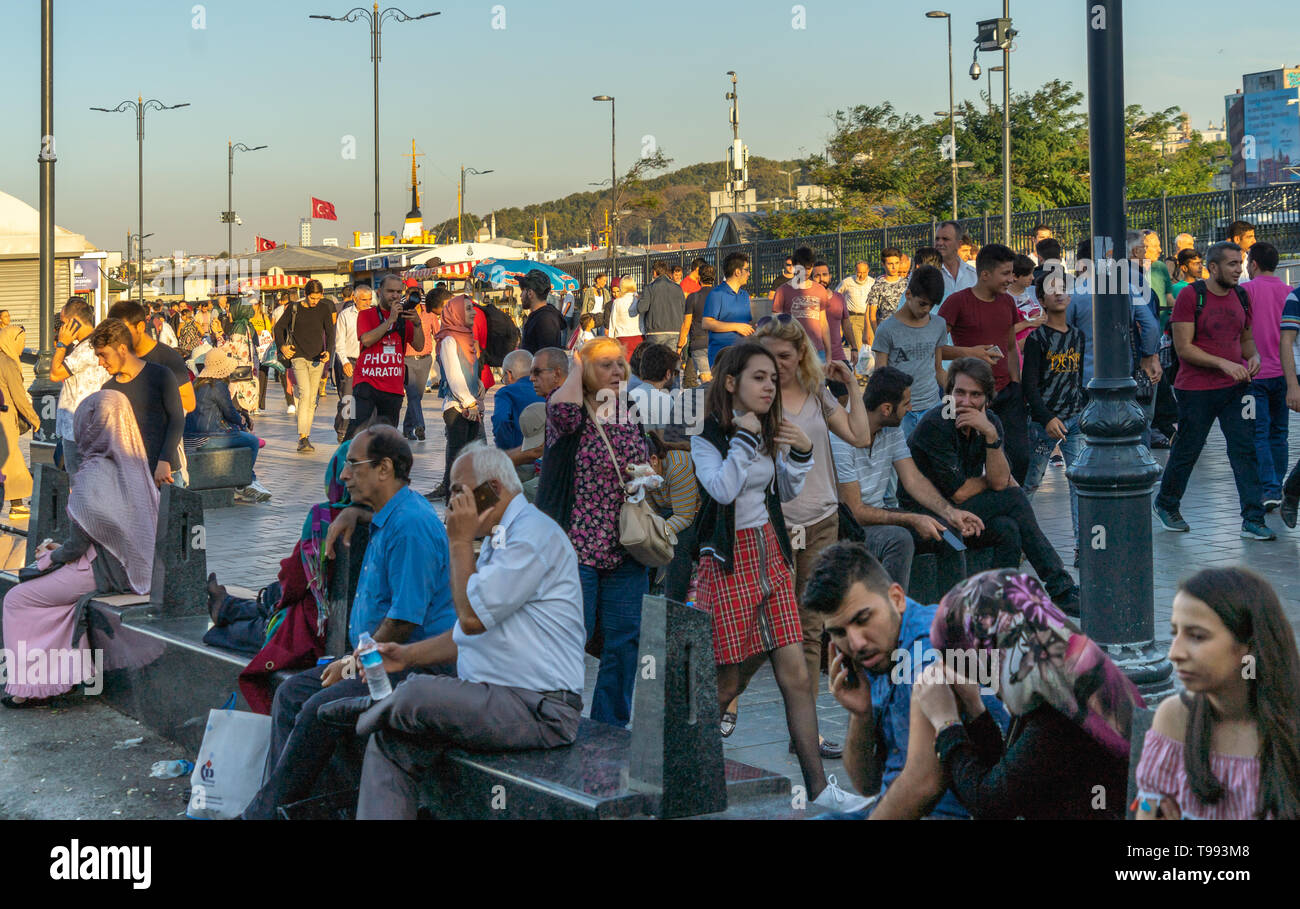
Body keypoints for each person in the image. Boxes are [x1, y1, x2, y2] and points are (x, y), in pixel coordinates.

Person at [322, 442, 586, 820]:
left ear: (492, 488)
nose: (452, 505)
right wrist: (405, 655)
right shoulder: (501, 536)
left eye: (459, 491)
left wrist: (459, 541)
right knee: (391, 741)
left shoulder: (532, 537)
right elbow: (471, 636)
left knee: (418, 691)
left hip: (539, 708)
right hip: (491, 696)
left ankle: (369, 710)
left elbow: (472, 618)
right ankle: (380, 719)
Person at [241, 425, 458, 819]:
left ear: (384, 469)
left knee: (318, 709)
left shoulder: (411, 526)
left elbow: (403, 621)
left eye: (353, 465)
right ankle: (289, 807)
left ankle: (264, 814)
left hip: (412, 665)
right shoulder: (388, 515)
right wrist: (356, 513)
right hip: (375, 658)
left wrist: (352, 662)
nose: (343, 475)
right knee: (291, 694)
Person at [690, 342, 870, 812]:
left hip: (770, 551)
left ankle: (819, 789)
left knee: (794, 673)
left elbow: (784, 490)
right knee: (726, 685)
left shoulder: (769, 430)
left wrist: (802, 452)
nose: (771, 386)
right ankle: (685, 767)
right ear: (731, 383)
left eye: (773, 377)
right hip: (728, 565)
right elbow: (723, 489)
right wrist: (746, 440)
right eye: (759, 378)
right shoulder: (706, 437)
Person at [725, 315, 867, 754]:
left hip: (822, 519)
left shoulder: (817, 393)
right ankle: (725, 698)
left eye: (784, 357)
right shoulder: (756, 399)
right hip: (772, 526)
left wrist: (854, 388)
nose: (777, 366)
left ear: (800, 354)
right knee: (762, 626)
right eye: (767, 357)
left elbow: (860, 436)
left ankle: (803, 735)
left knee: (808, 630)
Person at [905, 569, 1144, 819]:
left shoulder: (1057, 710)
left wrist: (947, 724)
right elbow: (1015, 774)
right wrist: (975, 709)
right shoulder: (1058, 669)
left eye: (964, 655)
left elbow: (991, 803)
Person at [801, 544, 1008, 818]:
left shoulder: (926, 657)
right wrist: (861, 716)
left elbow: (923, 784)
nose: (856, 643)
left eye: (863, 619)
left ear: (897, 598)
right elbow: (867, 785)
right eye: (839, 632)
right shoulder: (879, 651)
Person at [2, 390, 158, 707]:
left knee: (19, 598)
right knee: (55, 604)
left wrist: (50, 557)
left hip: (102, 571)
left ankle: (30, 687)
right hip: (128, 568)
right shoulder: (136, 466)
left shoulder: (91, 474)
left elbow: (77, 545)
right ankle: (61, 677)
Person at [904, 357, 1080, 613]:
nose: (965, 402)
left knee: (1008, 528)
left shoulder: (991, 423)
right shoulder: (936, 425)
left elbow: (998, 481)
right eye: (959, 392)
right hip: (930, 516)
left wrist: (991, 435)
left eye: (975, 395)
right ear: (948, 392)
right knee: (1014, 498)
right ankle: (1060, 587)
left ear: (987, 398)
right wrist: (993, 482)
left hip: (963, 513)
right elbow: (963, 492)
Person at [534, 338, 649, 728]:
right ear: (583, 371)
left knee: (624, 640)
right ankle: (557, 721)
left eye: (620, 364)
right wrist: (578, 363)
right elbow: (564, 409)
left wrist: (644, 479)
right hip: (576, 545)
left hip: (626, 546)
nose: (617, 371)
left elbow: (640, 461)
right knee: (570, 638)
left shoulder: (630, 410)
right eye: (605, 365)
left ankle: (609, 727)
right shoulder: (569, 411)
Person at [1135, 567, 1300, 820]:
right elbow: (1145, 804)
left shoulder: (1290, 728)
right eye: (1174, 633)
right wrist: (1148, 809)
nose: (1174, 653)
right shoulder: (1175, 719)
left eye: (1197, 636)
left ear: (1250, 647)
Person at [1153, 241, 1271, 540]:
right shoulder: (1192, 296)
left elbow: (1245, 339)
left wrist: (1253, 357)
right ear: (1214, 267)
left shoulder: (1242, 296)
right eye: (1232, 264)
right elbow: (1184, 348)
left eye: (1240, 262)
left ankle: (1253, 518)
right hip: (1196, 390)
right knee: (1188, 449)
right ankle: (1167, 504)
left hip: (1236, 387)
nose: (1239, 269)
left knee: (1245, 449)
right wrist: (1223, 364)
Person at [833, 367, 983, 594]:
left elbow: (913, 479)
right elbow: (855, 511)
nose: (911, 408)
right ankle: (895, 618)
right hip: (846, 527)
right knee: (900, 538)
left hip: (879, 514)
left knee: (949, 532)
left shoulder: (891, 429)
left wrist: (950, 512)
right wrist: (912, 519)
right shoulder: (841, 437)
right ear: (886, 409)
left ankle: (951, 614)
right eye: (906, 404)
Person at [938, 243, 1030, 483]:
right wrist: (971, 353)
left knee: (1020, 458)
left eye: (1012, 273)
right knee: (967, 462)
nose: (1011, 279)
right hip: (968, 397)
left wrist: (1016, 385)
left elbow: (1010, 347)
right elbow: (935, 350)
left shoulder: (1008, 302)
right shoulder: (957, 302)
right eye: (1006, 273)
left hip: (1007, 393)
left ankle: (1009, 502)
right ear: (985, 274)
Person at [1020, 273, 1086, 560]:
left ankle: (1083, 546)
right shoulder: (1037, 339)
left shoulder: (1077, 336)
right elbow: (1029, 385)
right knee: (1031, 482)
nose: (1059, 294)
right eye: (1052, 290)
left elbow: (1077, 376)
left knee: (1078, 482)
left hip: (1074, 421)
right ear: (1042, 299)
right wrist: (1045, 417)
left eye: (1063, 289)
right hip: (1043, 425)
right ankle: (1019, 541)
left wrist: (1081, 407)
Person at [91, 319, 182, 488]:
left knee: (170, 515)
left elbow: (176, 419)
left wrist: (165, 460)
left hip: (165, 473)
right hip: (128, 477)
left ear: (122, 349)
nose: (100, 362)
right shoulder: (108, 388)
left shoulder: (161, 375)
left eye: (103, 355)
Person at [182, 349, 271, 504]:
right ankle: (244, 484)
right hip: (208, 438)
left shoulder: (195, 383)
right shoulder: (217, 386)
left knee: (240, 434)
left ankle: (248, 481)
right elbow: (230, 413)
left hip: (189, 438)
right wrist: (243, 421)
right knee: (252, 441)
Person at [869, 265, 948, 438]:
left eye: (931, 305)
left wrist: (954, 393)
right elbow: (880, 375)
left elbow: (938, 369)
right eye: (922, 304)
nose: (926, 309)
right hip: (900, 413)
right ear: (908, 295)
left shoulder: (938, 324)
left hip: (932, 407)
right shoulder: (887, 329)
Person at [344, 274, 423, 444]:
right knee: (355, 433)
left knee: (386, 438)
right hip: (367, 381)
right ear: (379, 292)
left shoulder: (405, 317)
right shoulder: (367, 315)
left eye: (398, 292)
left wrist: (417, 324)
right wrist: (390, 320)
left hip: (393, 386)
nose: (394, 295)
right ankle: (344, 467)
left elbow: (419, 345)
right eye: (390, 291)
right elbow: (366, 339)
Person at [1242, 242, 1290, 510]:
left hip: (1254, 373)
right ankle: (1277, 485)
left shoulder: (1244, 291)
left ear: (1254, 264)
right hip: (1284, 372)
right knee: (1279, 433)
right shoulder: (1289, 292)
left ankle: (1269, 488)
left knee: (1258, 433)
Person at [430, 294, 486, 502]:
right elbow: (453, 375)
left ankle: (461, 501)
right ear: (456, 312)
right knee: (458, 459)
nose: (473, 312)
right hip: (458, 408)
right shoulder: (450, 339)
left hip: (469, 406)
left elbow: (466, 371)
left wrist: (477, 384)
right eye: (468, 309)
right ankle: (453, 505)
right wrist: (469, 401)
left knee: (466, 458)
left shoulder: (466, 336)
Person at [273, 278, 336, 452]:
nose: (315, 301)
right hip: (298, 357)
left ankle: (306, 435)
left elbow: (330, 334)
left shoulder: (324, 308)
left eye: (318, 298)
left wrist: (328, 352)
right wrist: (283, 347)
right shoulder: (294, 308)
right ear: (305, 295)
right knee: (305, 393)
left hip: (317, 359)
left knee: (311, 399)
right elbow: (278, 329)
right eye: (312, 298)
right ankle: (302, 437)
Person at [50, 298, 108, 476]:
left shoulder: (86, 349)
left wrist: (61, 344)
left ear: (75, 321)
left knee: (77, 481)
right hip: (84, 425)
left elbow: (55, 374)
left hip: (78, 428)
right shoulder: (90, 344)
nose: (62, 328)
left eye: (64, 322)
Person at [645, 429, 699, 604]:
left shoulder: (677, 467)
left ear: (654, 460)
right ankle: (643, 598)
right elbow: (651, 512)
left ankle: (673, 603)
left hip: (696, 515)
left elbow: (684, 516)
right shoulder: (646, 475)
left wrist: (657, 533)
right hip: (669, 513)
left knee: (678, 542)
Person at [771, 247, 845, 365]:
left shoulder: (820, 290)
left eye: (809, 268)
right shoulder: (782, 291)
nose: (805, 272)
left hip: (817, 351)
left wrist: (829, 354)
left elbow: (823, 323)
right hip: (792, 350)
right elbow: (775, 324)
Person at [0, 327, 38, 516]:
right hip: (5, 419)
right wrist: (34, 418)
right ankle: (17, 505)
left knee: (10, 461)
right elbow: (19, 397)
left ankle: (17, 503)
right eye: (21, 342)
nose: (23, 346)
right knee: (13, 460)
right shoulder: (8, 363)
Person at [401, 288, 442, 442]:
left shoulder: (430, 314)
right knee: (412, 394)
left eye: (417, 295)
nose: (414, 298)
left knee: (417, 396)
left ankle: (406, 429)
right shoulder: (402, 313)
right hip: (406, 360)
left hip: (425, 360)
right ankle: (420, 426)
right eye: (410, 295)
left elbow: (438, 335)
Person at [702, 252, 754, 368]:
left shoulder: (744, 295)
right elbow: (706, 323)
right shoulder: (716, 294)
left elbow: (747, 324)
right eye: (747, 270)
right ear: (737, 272)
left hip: (743, 354)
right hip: (722, 357)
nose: (749, 274)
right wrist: (736, 326)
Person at [492, 349, 543, 465]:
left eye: (503, 376)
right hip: (545, 460)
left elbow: (501, 420)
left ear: (509, 374)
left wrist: (505, 450)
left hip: (519, 459)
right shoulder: (545, 389)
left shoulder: (506, 393)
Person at [333, 283, 368, 443]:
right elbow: (339, 342)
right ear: (355, 298)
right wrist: (345, 362)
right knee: (348, 397)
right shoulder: (345, 315)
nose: (367, 303)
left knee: (365, 398)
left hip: (368, 361)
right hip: (350, 360)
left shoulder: (374, 314)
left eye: (369, 299)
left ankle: (362, 430)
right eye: (363, 300)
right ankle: (343, 431)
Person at [678, 263, 716, 387]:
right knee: (716, 379)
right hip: (717, 342)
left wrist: (680, 346)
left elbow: (686, 324)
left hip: (698, 343)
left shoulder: (693, 298)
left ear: (699, 278)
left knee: (706, 380)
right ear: (714, 278)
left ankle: (709, 404)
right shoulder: (720, 296)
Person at [638, 260, 687, 350]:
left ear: (654, 272)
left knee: (656, 361)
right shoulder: (677, 288)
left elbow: (642, 308)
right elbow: (684, 309)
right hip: (675, 330)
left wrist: (639, 300)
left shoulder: (650, 288)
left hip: (655, 331)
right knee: (670, 361)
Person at [862, 248, 907, 343]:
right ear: (883, 264)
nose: (894, 267)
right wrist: (877, 335)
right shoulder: (878, 285)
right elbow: (872, 314)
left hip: (905, 331)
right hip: (886, 333)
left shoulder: (907, 284)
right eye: (890, 264)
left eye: (897, 263)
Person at [519, 270, 566, 354]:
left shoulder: (545, 320)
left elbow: (548, 359)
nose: (520, 295)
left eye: (522, 291)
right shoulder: (539, 316)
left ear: (530, 293)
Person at [836, 261, 875, 357]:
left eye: (864, 272)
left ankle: (871, 371)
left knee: (872, 348)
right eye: (859, 272)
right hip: (854, 318)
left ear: (868, 271)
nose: (861, 276)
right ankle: (858, 371)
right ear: (855, 271)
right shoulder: (847, 282)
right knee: (858, 349)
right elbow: (836, 296)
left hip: (869, 320)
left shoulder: (873, 282)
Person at [933, 221, 977, 302]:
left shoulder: (974, 275)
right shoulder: (924, 274)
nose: (939, 243)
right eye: (937, 239)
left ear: (959, 244)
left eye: (945, 239)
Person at [607, 277, 642, 361]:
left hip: (622, 337)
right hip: (638, 335)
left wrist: (611, 338)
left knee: (624, 365)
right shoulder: (638, 300)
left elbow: (612, 322)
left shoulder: (617, 302)